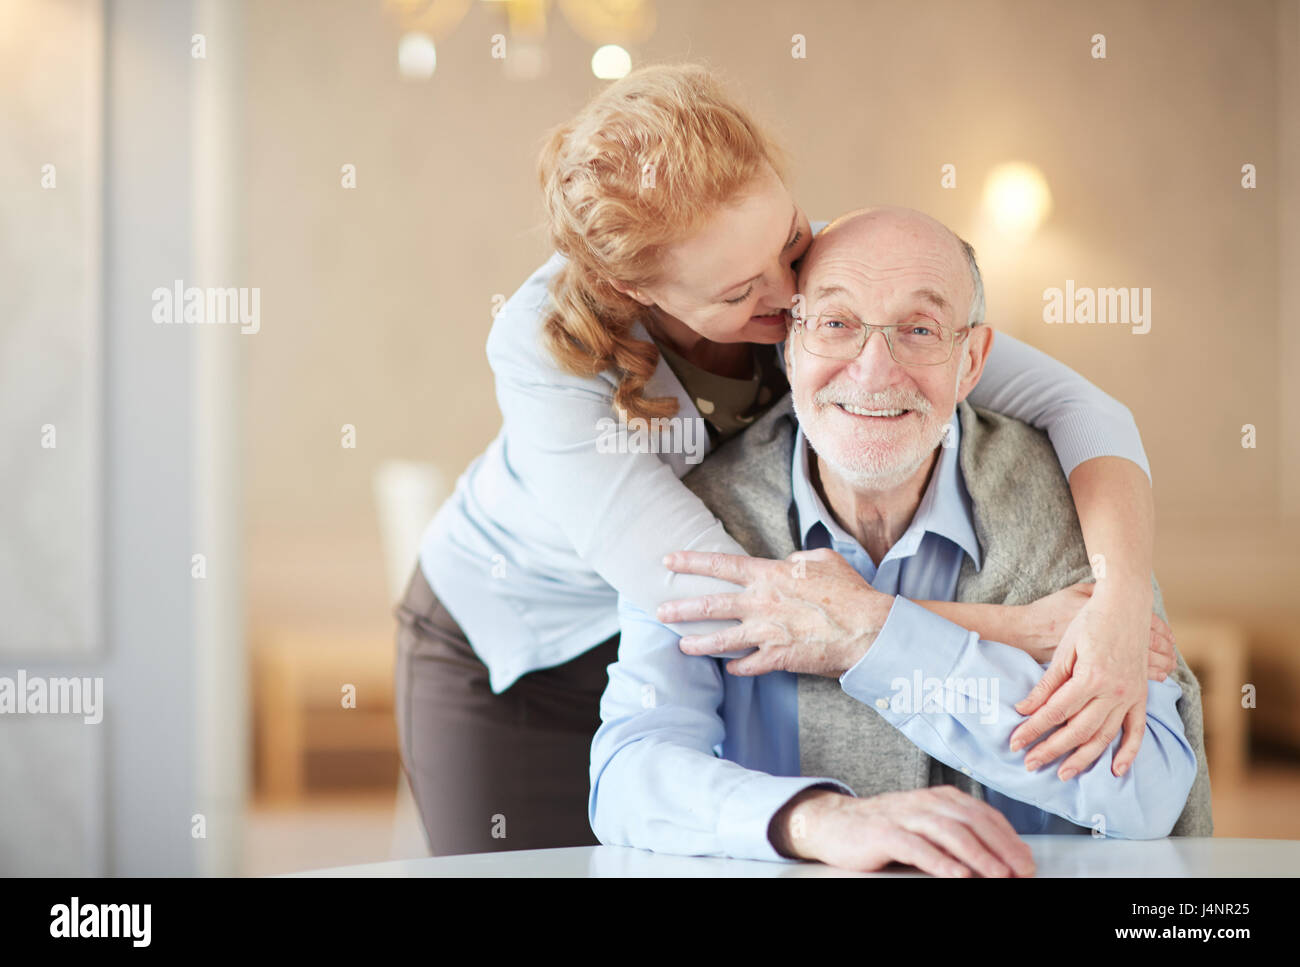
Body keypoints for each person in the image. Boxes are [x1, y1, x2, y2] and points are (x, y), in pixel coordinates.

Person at [394, 63, 1164, 856]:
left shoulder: (815, 282)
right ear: (637, 291)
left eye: (791, 238)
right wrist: (1020, 630)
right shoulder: (540, 354)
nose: (792, 291)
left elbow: (1083, 409)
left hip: (698, 639)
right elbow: (737, 605)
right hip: (517, 651)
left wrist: (1119, 599)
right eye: (739, 294)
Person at [589, 206, 1211, 874]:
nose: (874, 371)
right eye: (836, 324)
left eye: (919, 328)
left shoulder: (1072, 502)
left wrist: (872, 632)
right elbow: (632, 772)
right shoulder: (698, 514)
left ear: (971, 360)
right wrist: (817, 818)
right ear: (788, 347)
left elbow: (1145, 792)